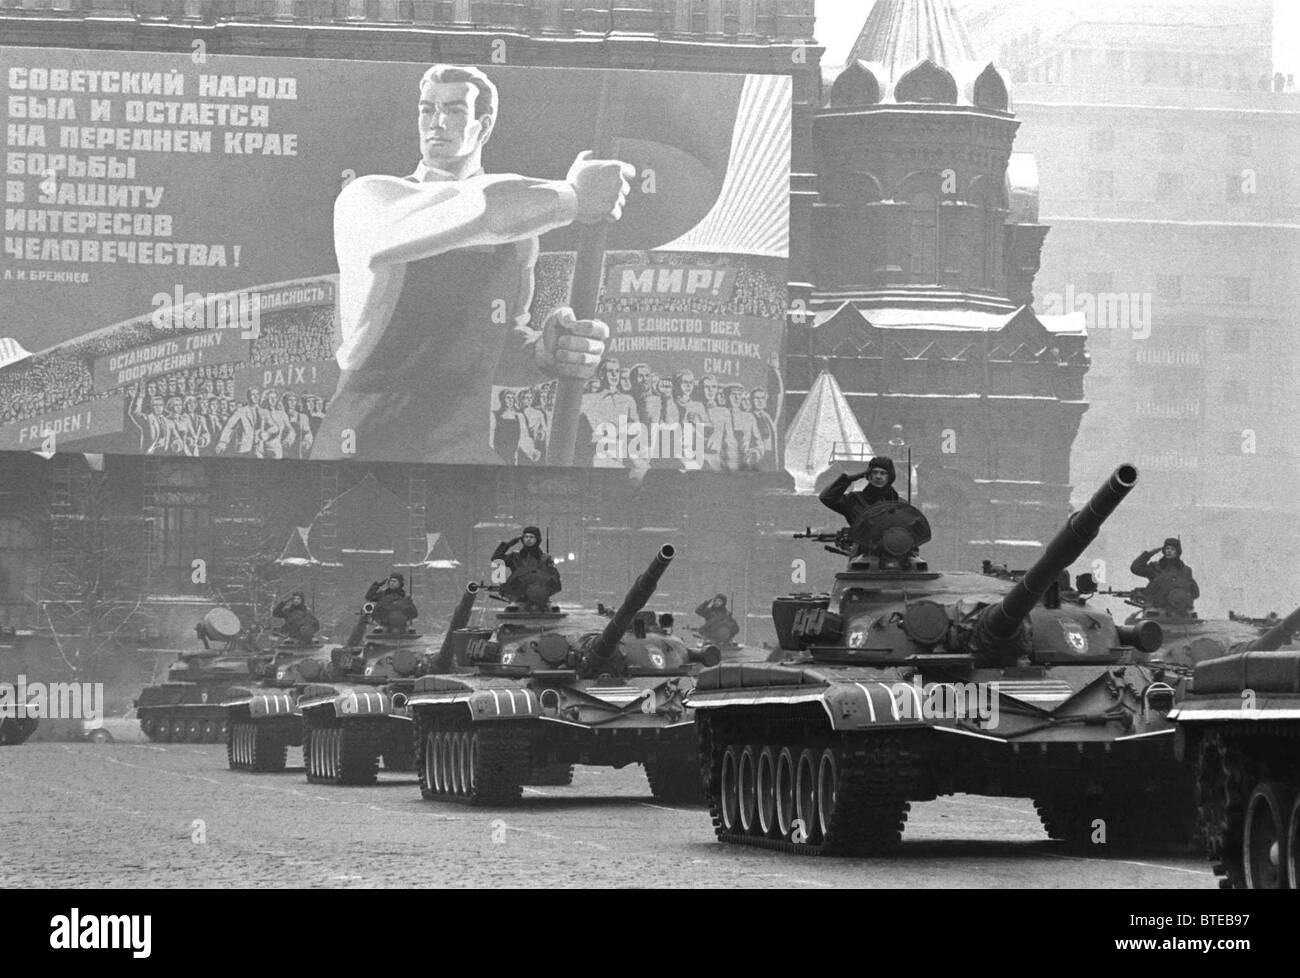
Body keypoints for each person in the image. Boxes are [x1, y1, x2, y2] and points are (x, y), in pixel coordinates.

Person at [312, 63, 635, 464]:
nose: (436, 122)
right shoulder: (370, 199)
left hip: (461, 453)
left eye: (453, 110)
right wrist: (572, 198)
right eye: (426, 109)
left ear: (483, 126)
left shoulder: (518, 236)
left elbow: (497, 350)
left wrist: (543, 353)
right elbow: (480, 209)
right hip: (364, 448)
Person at [492, 525, 561, 610]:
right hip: (519, 597)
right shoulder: (515, 556)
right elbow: (496, 559)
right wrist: (508, 544)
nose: (528, 539)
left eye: (532, 537)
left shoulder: (545, 558)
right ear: (522, 539)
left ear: (537, 539)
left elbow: (553, 577)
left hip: (540, 595)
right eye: (526, 537)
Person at [819, 456, 901, 528]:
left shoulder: (899, 504)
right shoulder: (853, 500)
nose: (878, 476)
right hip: (861, 544)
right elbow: (826, 498)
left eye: (883, 473)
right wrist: (848, 479)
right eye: (874, 472)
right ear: (869, 475)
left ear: (890, 477)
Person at [1130, 538, 1200, 613]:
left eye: (1172, 549)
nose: (1169, 551)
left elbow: (1195, 592)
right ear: (1164, 550)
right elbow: (1135, 568)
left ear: (1177, 551)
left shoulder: (1185, 571)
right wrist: (1149, 554)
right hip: (1158, 612)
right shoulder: (1155, 568)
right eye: (1167, 548)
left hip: (1181, 614)